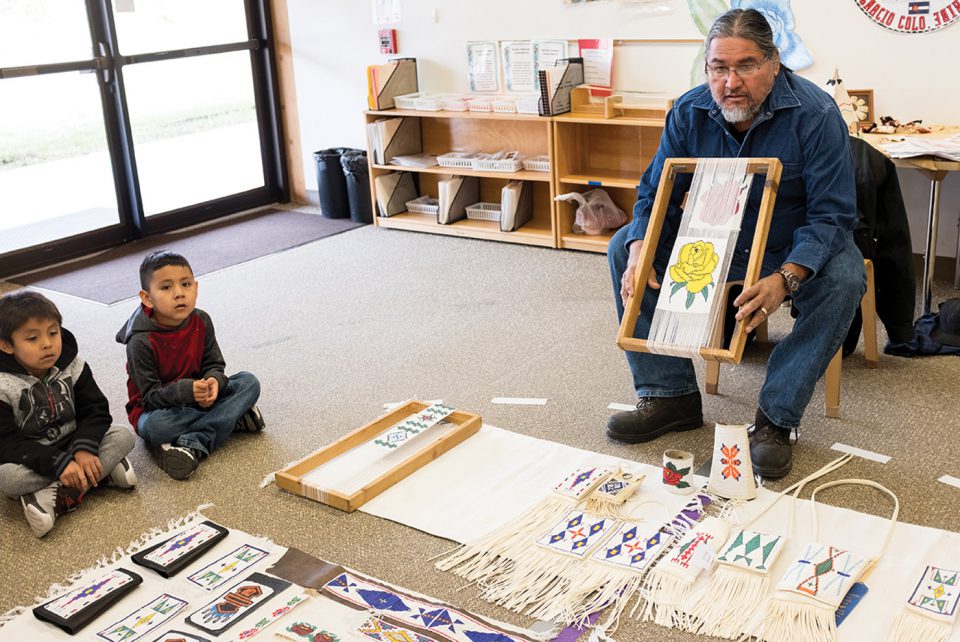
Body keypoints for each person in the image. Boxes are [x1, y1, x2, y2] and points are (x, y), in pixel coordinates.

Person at [606, 8, 866, 478]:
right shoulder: (689, 111)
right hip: (711, 239)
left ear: (774, 62)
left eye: (746, 65)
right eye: (718, 68)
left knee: (845, 275)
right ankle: (670, 397)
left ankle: (775, 421)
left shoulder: (816, 115)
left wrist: (787, 277)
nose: (730, 82)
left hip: (788, 245)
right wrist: (642, 244)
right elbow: (655, 192)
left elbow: (832, 216)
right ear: (706, 69)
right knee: (624, 244)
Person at [117, 250, 264, 481]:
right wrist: (187, 391)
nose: (179, 293)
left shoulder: (202, 320)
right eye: (166, 288)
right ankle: (228, 421)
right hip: (161, 409)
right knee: (156, 427)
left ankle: (191, 441)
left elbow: (214, 363)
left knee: (249, 382)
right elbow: (149, 398)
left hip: (202, 399)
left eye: (185, 284)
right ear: (147, 298)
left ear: (195, 287)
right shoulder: (139, 341)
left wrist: (214, 381)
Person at [0, 291, 137, 538]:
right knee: (7, 478)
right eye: (32, 338)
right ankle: (101, 476)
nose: (47, 344)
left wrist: (85, 449)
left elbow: (96, 411)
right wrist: (57, 463)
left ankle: (57, 495)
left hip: (75, 441)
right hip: (33, 455)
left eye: (53, 333)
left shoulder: (74, 365)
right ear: (6, 345)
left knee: (124, 436)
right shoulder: (2, 385)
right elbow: (7, 443)